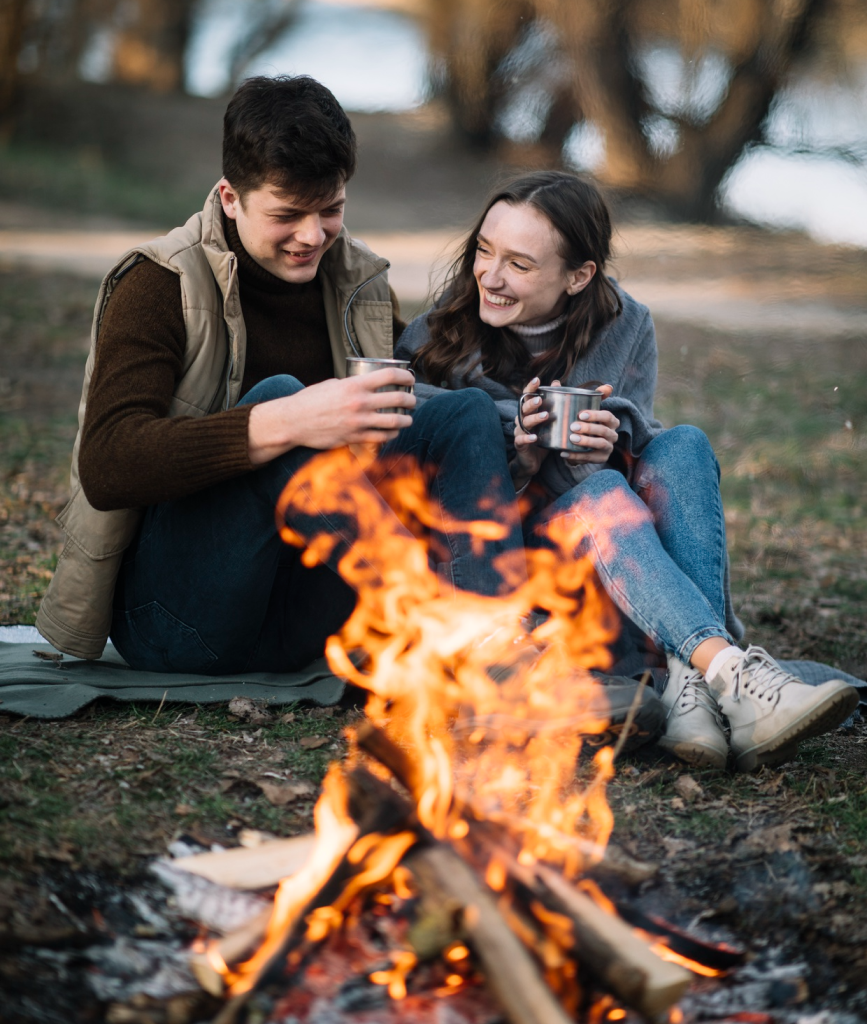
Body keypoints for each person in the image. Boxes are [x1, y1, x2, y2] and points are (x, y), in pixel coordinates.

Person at [35, 75, 525, 676]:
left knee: (463, 410)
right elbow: (108, 464)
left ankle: (496, 641)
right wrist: (282, 421)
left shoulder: (359, 282)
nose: (312, 235)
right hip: (178, 620)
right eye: (287, 214)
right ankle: (431, 618)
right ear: (230, 197)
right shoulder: (159, 282)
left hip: (308, 611)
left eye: (332, 210)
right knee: (284, 399)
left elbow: (419, 420)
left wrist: (520, 429)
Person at [395, 170, 859, 772]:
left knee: (682, 445)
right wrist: (522, 453)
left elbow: (635, 452)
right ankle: (723, 669)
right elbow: (427, 490)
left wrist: (603, 447)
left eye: (519, 263)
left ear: (579, 275)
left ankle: (689, 690)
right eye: (484, 250)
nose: (490, 274)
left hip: (605, 555)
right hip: (511, 573)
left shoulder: (626, 325)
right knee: (604, 492)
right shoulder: (439, 335)